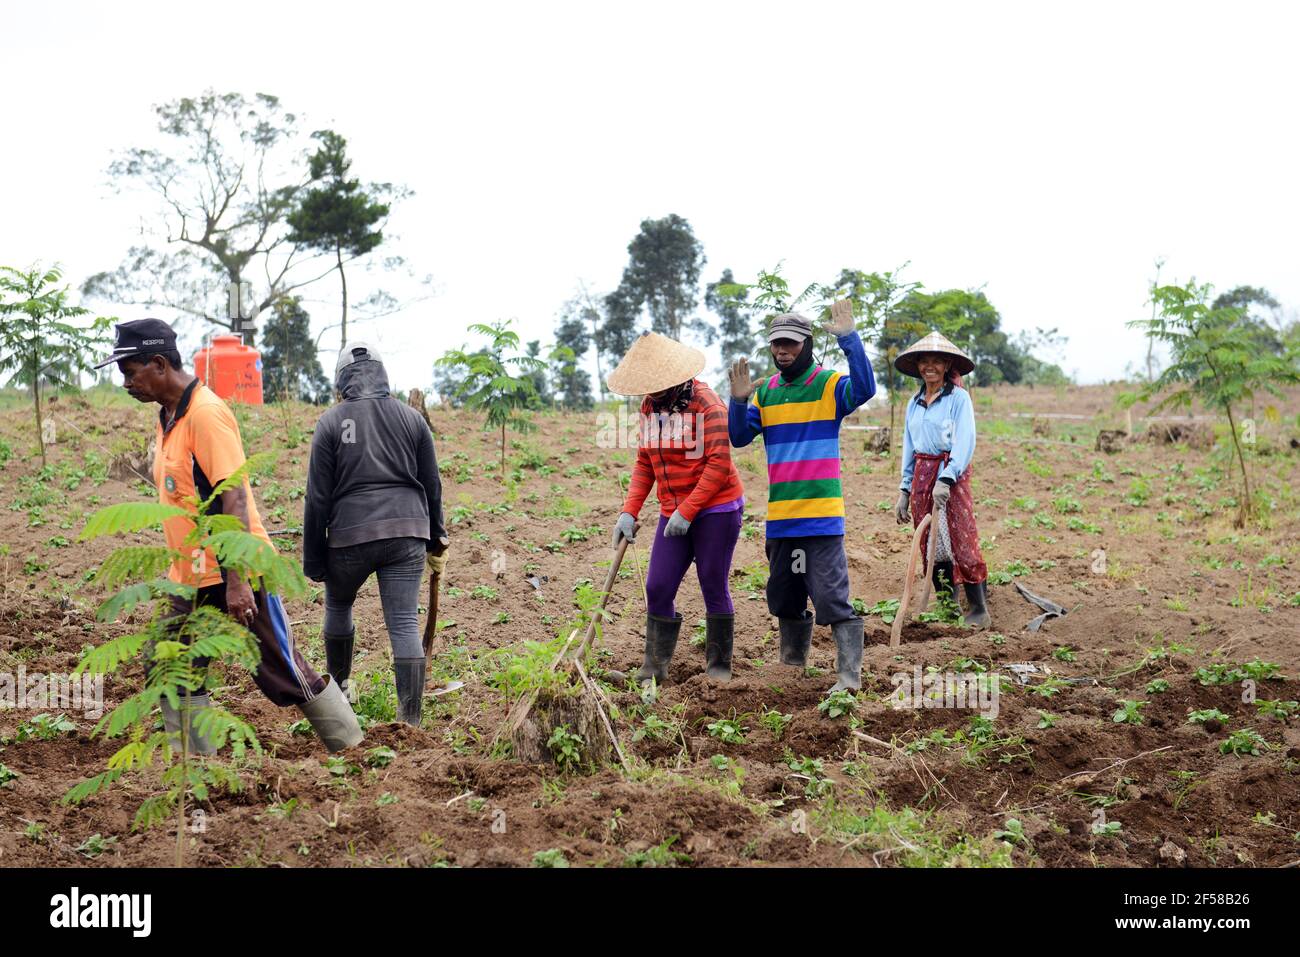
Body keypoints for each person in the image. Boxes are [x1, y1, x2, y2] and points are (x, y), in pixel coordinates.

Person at [96, 319, 362, 753]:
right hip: (189, 574)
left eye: (130, 371)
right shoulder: (168, 416)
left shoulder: (206, 413)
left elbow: (233, 496)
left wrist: (238, 581)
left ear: (159, 364)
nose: (125, 382)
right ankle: (195, 776)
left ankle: (352, 747)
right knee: (171, 666)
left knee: (281, 669)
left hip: (236, 567)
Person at [728, 303, 876, 693]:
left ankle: (849, 675)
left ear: (807, 345)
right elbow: (739, 437)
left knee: (831, 596)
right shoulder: (766, 393)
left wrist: (849, 340)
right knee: (785, 595)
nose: (782, 351)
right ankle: (792, 666)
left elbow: (865, 389)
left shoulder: (828, 386)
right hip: (782, 520)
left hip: (821, 519)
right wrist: (739, 400)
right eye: (777, 344)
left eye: (790, 344)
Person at [303, 342, 449, 727]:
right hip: (407, 534)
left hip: (350, 537)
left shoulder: (332, 423)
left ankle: (341, 695)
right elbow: (432, 486)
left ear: (342, 382)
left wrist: (314, 559)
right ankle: (410, 720)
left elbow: (317, 497)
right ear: (383, 376)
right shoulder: (412, 419)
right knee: (403, 620)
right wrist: (437, 539)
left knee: (338, 605)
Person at [608, 332, 745, 686]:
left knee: (712, 581)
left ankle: (718, 666)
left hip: (716, 508)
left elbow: (718, 464)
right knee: (658, 586)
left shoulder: (707, 405)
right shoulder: (650, 407)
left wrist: (689, 510)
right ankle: (654, 667)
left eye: (655, 385)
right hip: (673, 508)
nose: (650, 392)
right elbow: (645, 462)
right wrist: (629, 511)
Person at [892, 330, 991, 628]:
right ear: (918, 366)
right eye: (924, 361)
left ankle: (978, 608)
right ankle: (948, 604)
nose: (930, 367)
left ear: (947, 365)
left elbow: (965, 442)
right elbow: (910, 446)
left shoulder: (958, 399)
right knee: (931, 542)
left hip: (952, 472)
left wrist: (946, 479)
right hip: (922, 473)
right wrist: (904, 489)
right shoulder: (914, 403)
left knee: (961, 536)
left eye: (937, 361)